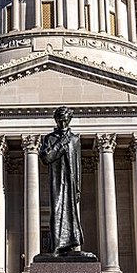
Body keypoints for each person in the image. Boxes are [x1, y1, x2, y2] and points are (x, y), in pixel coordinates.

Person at [40, 106, 87, 256]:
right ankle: (57, 245)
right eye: (59, 118)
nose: (62, 121)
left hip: (70, 182)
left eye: (65, 118)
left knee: (71, 214)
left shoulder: (75, 139)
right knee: (57, 211)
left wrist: (78, 188)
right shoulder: (50, 138)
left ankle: (71, 245)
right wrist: (60, 144)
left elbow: (78, 165)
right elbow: (46, 158)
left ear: (69, 119)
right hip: (56, 180)